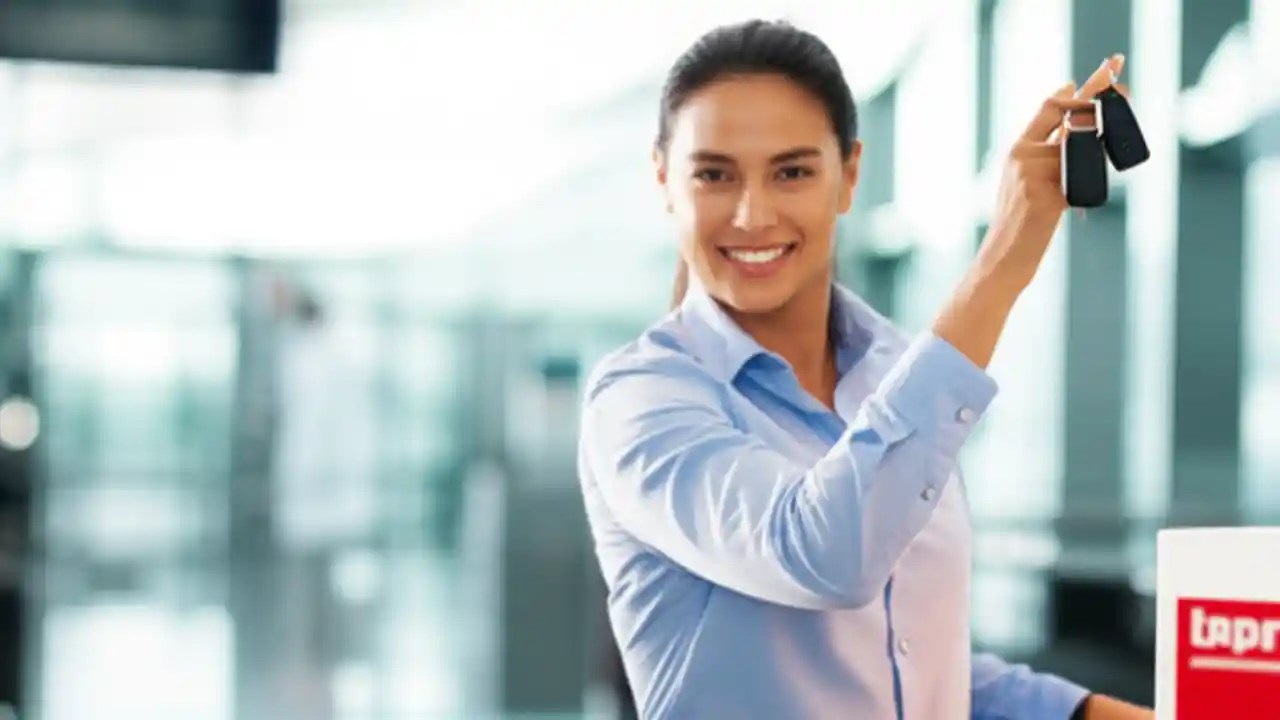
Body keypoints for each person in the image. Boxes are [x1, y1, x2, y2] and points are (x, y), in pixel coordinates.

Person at [576, 18, 1153, 720]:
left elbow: (912, 664)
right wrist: (1006, 255)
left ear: (849, 176)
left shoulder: (893, 375)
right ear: (665, 180)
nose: (753, 214)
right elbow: (823, 552)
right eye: (714, 174)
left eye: (792, 171)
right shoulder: (642, 402)